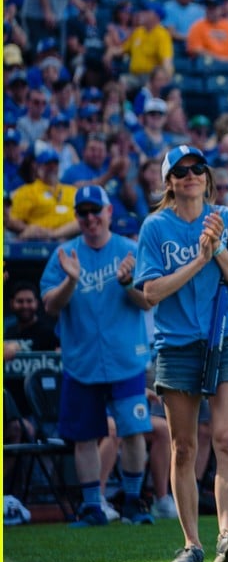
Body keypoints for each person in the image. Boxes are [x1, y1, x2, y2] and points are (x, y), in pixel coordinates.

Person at [134, 145, 228, 562]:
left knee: (227, 438)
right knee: (183, 446)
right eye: (181, 171)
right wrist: (200, 260)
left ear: (207, 176)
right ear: (169, 182)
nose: (190, 175)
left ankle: (225, 535)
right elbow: (150, 293)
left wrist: (218, 249)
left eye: (197, 168)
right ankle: (192, 543)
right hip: (176, 343)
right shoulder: (154, 227)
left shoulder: (227, 218)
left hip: (226, 335)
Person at [40, 186, 155, 526]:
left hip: (125, 358)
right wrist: (70, 281)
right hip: (82, 361)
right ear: (77, 217)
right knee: (85, 436)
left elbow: (148, 301)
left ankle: (133, 502)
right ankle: (92, 507)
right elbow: (50, 306)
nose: (90, 218)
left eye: (96, 211)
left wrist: (128, 283)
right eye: (83, 213)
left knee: (133, 431)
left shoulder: (130, 250)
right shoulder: (64, 254)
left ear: (109, 212)